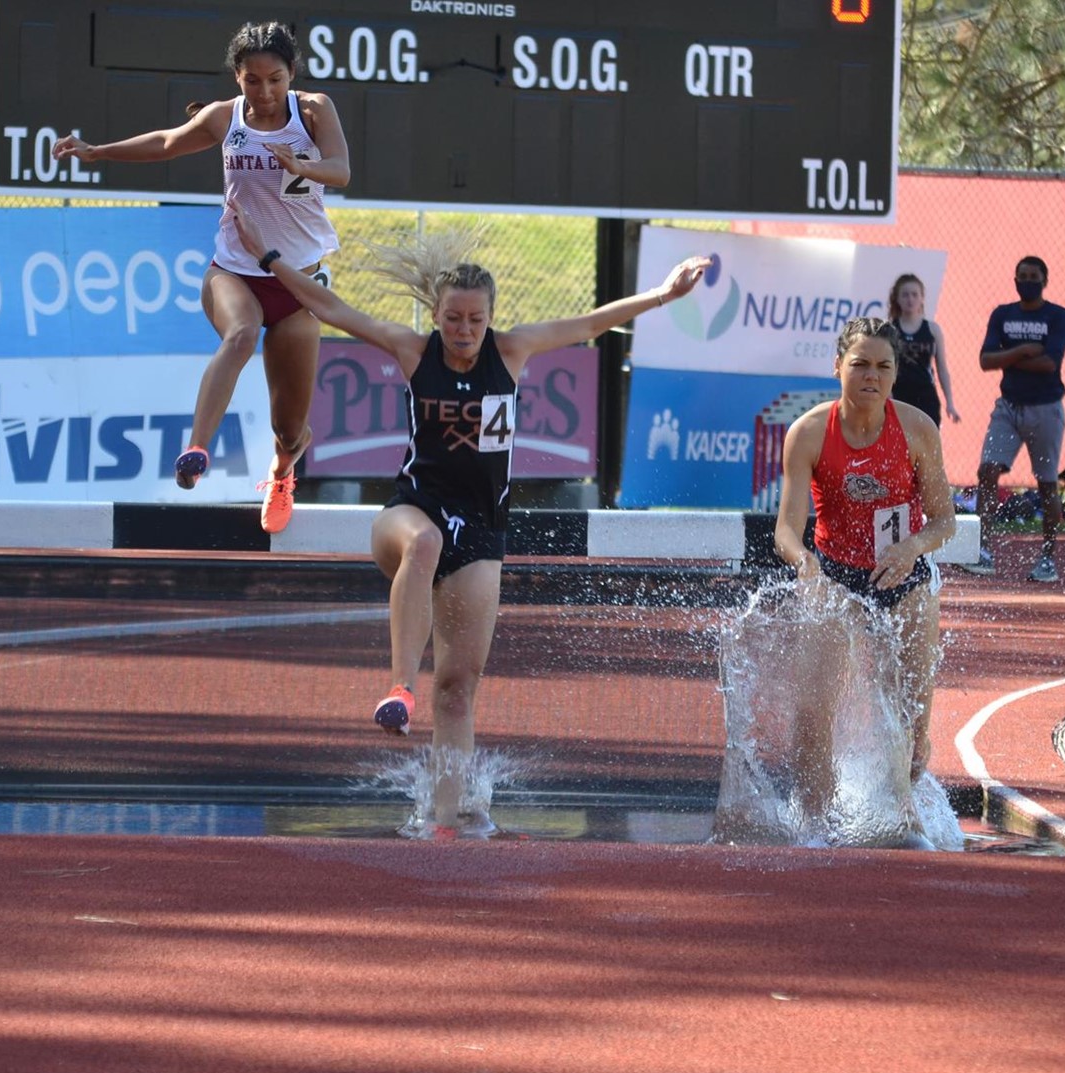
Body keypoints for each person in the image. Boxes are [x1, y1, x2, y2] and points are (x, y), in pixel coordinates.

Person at [228, 199, 711, 832]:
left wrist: (662, 295)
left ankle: (445, 819)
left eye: (474, 319)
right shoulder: (412, 350)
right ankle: (399, 689)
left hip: (481, 532)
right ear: (436, 315)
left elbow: (591, 321)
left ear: (489, 318)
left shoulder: (510, 353)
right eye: (453, 318)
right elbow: (331, 308)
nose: (463, 330)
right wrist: (266, 256)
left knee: (458, 686)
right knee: (423, 546)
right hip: (409, 513)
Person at [51, 21, 349, 532]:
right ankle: (197, 450)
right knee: (239, 335)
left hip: (298, 285)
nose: (265, 92)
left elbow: (341, 171)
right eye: (253, 80)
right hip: (233, 271)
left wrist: (301, 165)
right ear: (238, 78)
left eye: (275, 79)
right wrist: (97, 152)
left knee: (290, 428)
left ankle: (282, 472)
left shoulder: (314, 110)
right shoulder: (225, 118)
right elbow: (167, 142)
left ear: (291, 73)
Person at [772, 317, 959, 821]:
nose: (870, 376)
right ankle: (815, 821)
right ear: (838, 368)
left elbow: (945, 521)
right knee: (813, 714)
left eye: (882, 366)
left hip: (904, 578)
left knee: (911, 718)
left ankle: (901, 814)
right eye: (860, 365)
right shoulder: (809, 432)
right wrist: (805, 564)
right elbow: (785, 529)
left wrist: (911, 547)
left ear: (896, 374)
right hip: (836, 577)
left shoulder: (918, 429)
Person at [966, 255, 1065, 583]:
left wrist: (1007, 358)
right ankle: (983, 551)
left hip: (1045, 408)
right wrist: (1024, 351)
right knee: (987, 471)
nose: (1027, 281)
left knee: (1046, 484)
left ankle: (1048, 558)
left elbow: (1049, 364)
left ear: (1045, 280)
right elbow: (985, 360)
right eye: (1021, 276)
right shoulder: (1002, 314)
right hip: (1008, 407)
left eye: (1033, 276)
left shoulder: (1058, 316)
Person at [887, 273, 959, 426]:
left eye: (914, 295)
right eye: (905, 295)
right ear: (897, 299)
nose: (910, 299)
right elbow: (884, 367)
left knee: (926, 446)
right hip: (899, 396)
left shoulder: (933, 330)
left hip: (926, 396)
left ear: (922, 298)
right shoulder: (890, 330)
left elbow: (942, 369)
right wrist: (888, 396)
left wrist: (950, 403)